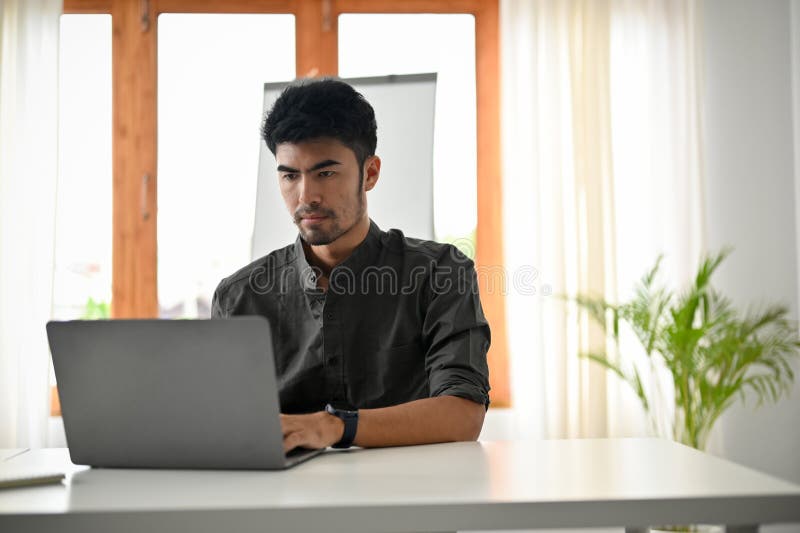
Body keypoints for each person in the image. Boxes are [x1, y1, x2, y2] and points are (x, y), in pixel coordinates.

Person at [211, 78, 491, 453]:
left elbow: (463, 415)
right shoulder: (238, 298)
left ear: (370, 173)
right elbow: (226, 426)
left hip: (412, 486)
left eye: (325, 173)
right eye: (290, 175)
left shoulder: (441, 272)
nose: (306, 196)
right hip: (283, 491)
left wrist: (336, 427)